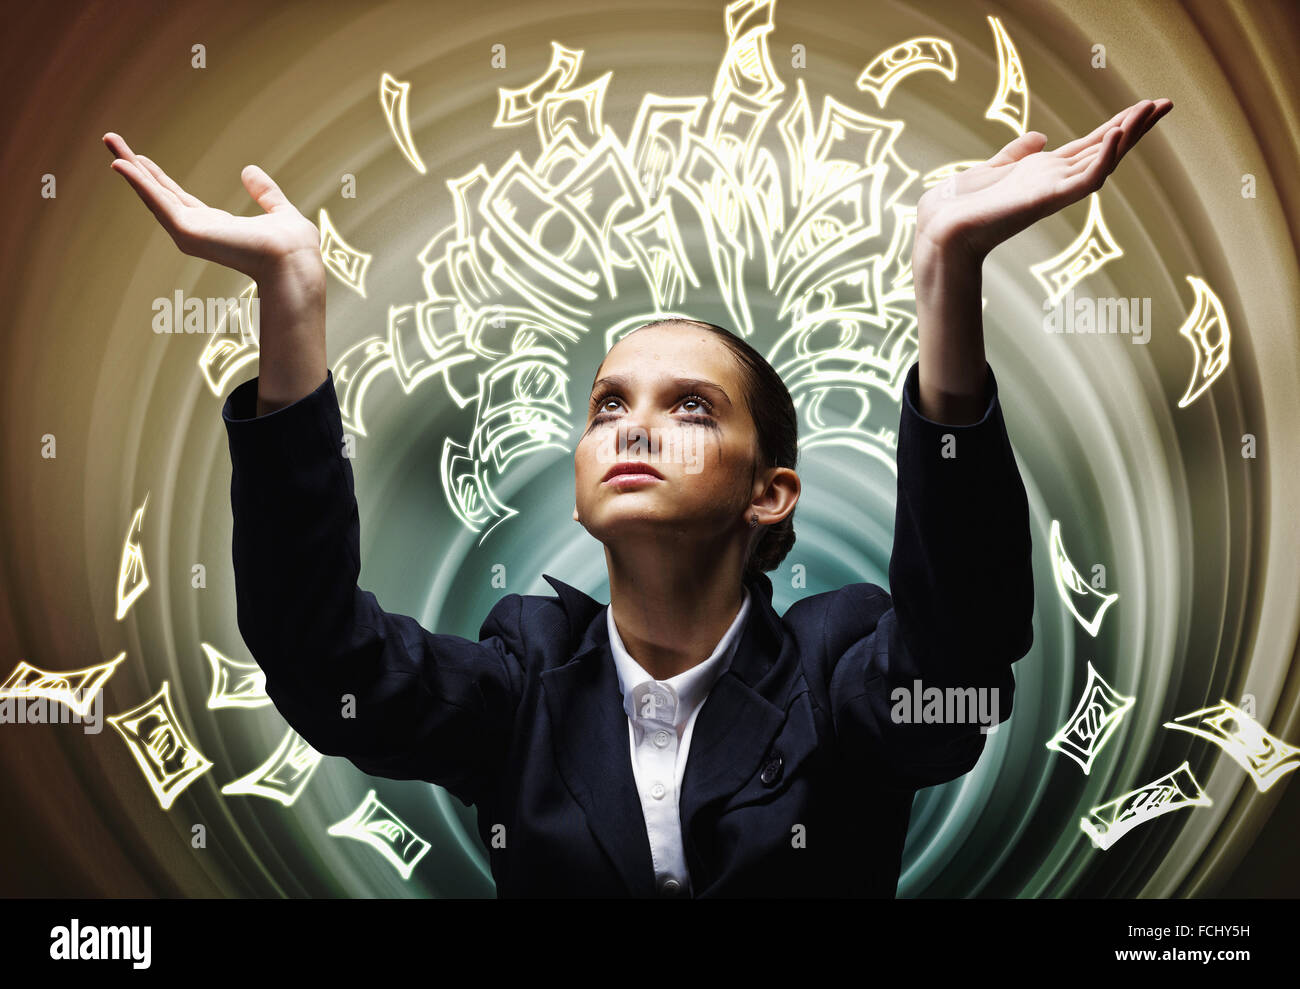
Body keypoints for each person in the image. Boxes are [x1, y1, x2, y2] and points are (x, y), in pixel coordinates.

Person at [102, 98, 1172, 897]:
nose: (632, 424)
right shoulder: (522, 683)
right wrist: (288, 303)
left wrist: (949, 272)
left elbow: (961, 662)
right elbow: (323, 662)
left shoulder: (834, 674)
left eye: (693, 407)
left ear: (770, 493)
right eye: (609, 401)